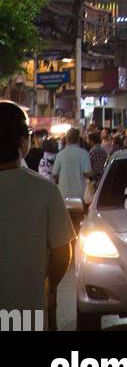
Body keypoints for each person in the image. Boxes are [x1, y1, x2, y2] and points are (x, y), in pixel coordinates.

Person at [0, 101, 75, 324]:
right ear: (23, 141)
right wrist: (50, 288)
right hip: (26, 316)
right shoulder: (46, 191)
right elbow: (62, 254)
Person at [52, 128, 92, 231]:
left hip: (63, 195)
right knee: (79, 224)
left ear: (66, 139)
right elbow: (87, 173)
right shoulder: (84, 154)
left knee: (65, 225)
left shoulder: (61, 154)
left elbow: (55, 174)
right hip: (80, 196)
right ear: (78, 139)